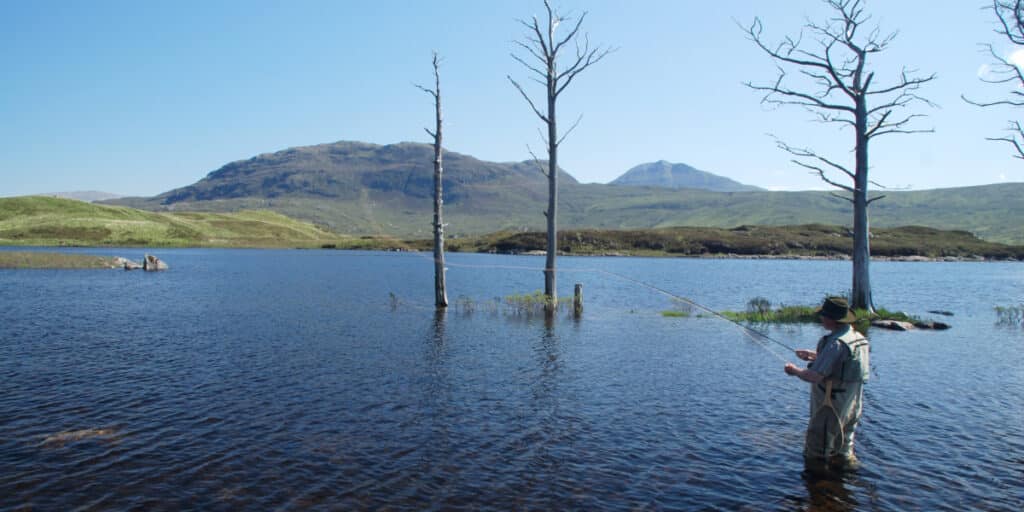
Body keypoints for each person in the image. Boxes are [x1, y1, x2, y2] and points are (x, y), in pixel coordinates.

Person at [784, 297, 870, 468]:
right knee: (844, 444)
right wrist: (815, 356)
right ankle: (847, 477)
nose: (821, 318)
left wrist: (794, 371)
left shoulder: (836, 344)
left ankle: (819, 482)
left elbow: (814, 376)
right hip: (852, 402)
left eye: (823, 315)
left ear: (833, 319)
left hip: (831, 404)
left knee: (818, 447)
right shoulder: (857, 337)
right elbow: (844, 362)